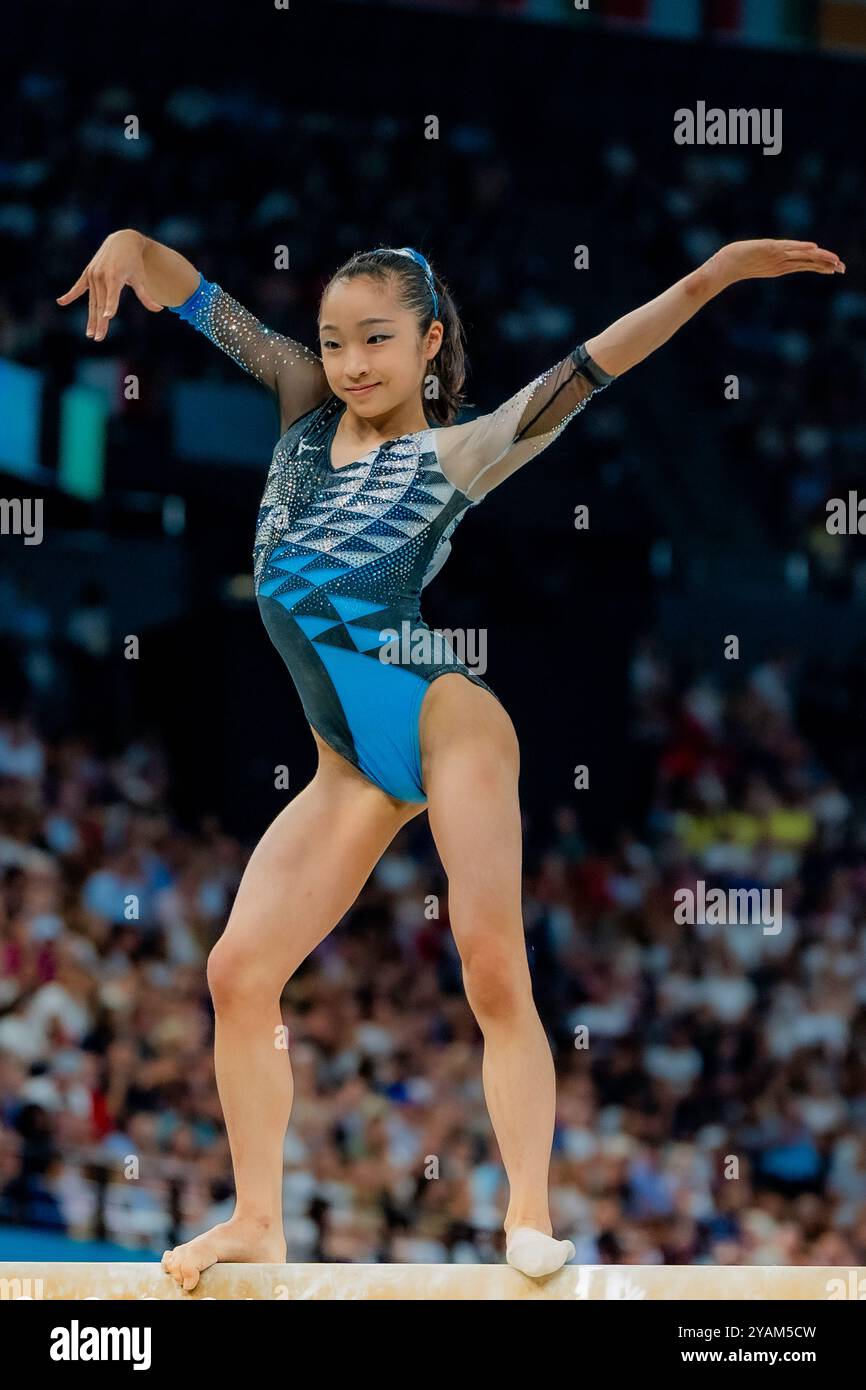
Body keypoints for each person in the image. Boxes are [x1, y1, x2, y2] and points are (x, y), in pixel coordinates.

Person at [58, 230, 843, 1290]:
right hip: (346, 762)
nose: (350, 363)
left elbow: (593, 365)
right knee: (238, 974)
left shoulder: (458, 453)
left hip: (441, 717)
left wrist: (706, 279)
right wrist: (124, 247)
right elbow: (187, 291)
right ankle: (256, 1218)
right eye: (335, 341)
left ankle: (526, 1212)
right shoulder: (299, 398)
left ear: (428, 342)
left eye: (377, 340)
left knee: (488, 962)